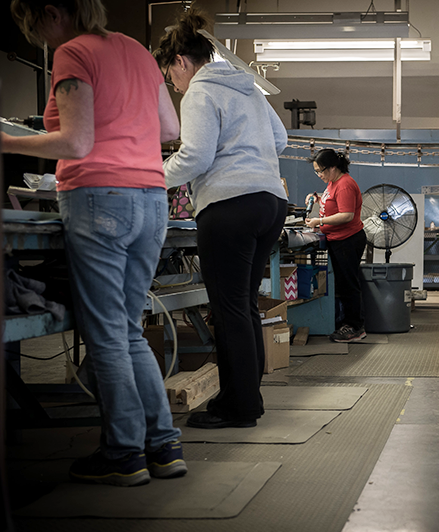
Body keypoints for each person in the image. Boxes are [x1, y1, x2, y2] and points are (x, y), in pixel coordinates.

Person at [2, 0, 186, 486]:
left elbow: (76, 143)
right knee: (127, 329)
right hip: (152, 198)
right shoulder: (137, 51)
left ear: (50, 12)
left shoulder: (73, 52)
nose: (38, 37)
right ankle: (163, 447)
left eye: (33, 25)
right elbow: (170, 129)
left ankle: (124, 454)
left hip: (100, 197)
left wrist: (7, 141)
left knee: (106, 333)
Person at [154, 9, 288, 429]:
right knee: (243, 306)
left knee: (230, 309)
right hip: (270, 203)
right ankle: (247, 400)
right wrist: (251, 158)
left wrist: (150, 176)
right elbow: (281, 139)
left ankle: (238, 407)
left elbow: (195, 157)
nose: (174, 86)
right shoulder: (247, 87)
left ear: (181, 61)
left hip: (230, 206)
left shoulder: (199, 92)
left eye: (170, 76)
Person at [305, 149, 367, 343]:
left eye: (321, 171)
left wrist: (319, 221)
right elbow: (333, 204)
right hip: (337, 239)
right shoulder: (333, 183)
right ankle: (346, 322)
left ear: (333, 167)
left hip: (347, 240)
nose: (319, 175)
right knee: (342, 283)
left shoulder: (345, 184)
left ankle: (355, 327)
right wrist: (317, 199)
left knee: (349, 284)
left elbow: (347, 215)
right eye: (316, 171)